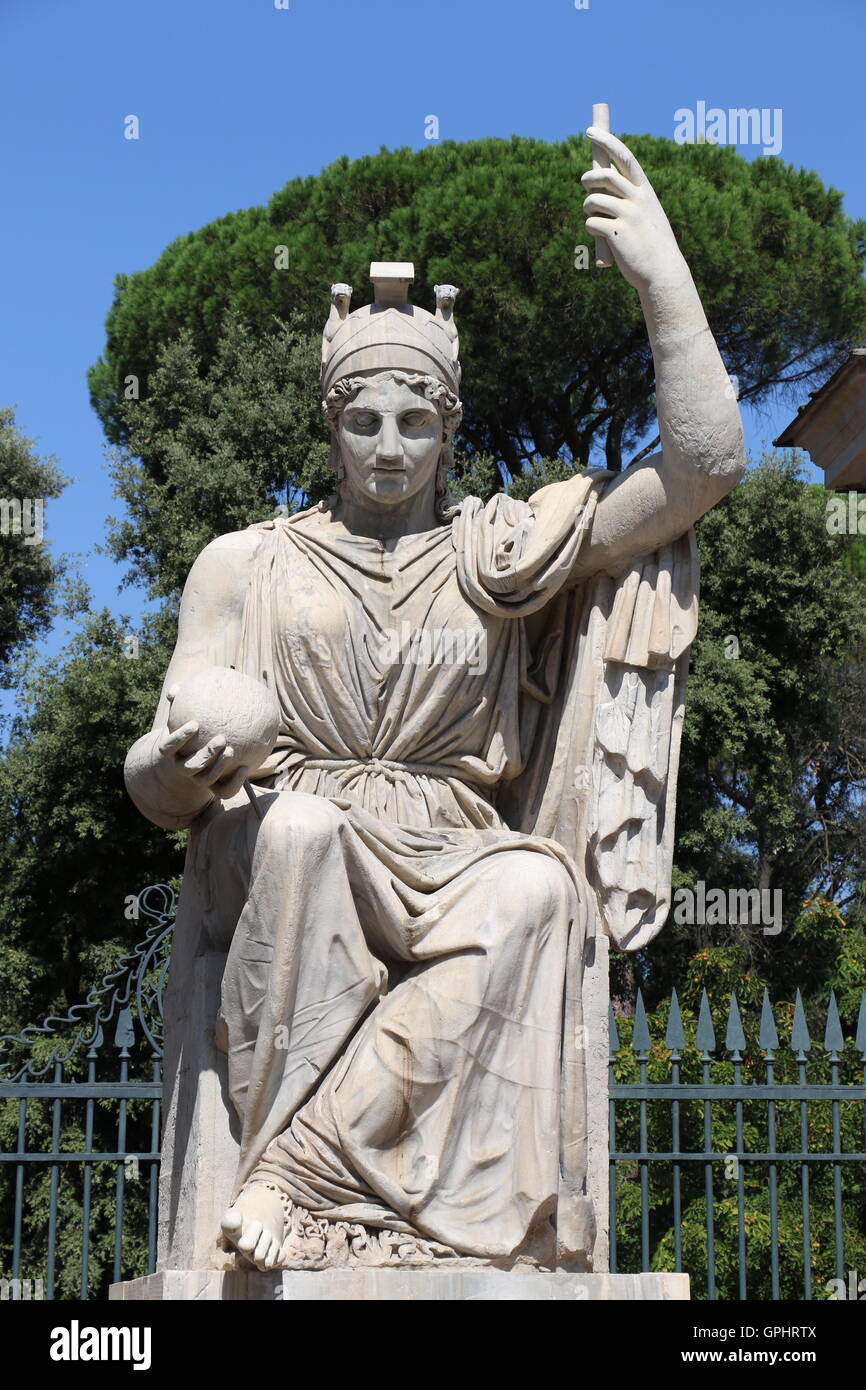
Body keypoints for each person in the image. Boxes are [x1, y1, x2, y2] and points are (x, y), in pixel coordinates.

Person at [125, 129, 744, 1271]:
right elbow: (153, 786)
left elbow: (701, 469)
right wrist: (204, 752)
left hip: (454, 850)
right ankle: (290, 1179)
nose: (390, 446)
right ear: (330, 422)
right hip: (281, 833)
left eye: (416, 420)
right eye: (364, 419)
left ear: (451, 425)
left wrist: (663, 281)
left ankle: (298, 1173)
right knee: (303, 826)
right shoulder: (242, 563)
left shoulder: (497, 554)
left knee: (535, 888)